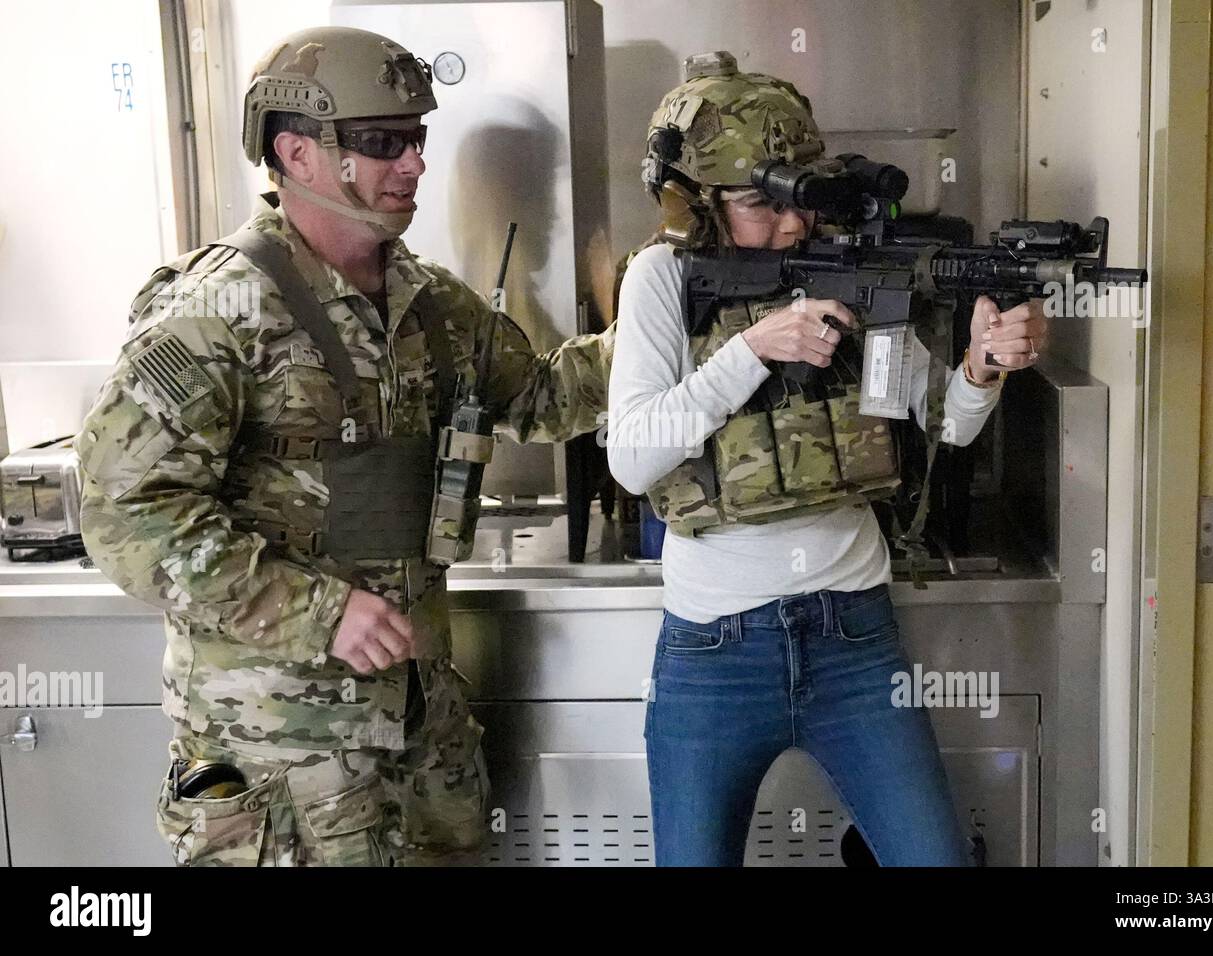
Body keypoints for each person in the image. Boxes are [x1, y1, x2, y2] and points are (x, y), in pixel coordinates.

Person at [77, 25, 613, 866]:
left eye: (416, 139)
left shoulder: (430, 303)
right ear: (296, 154)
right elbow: (125, 512)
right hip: (282, 756)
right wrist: (318, 611)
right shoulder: (220, 310)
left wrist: (673, 315)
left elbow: (542, 397)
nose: (414, 164)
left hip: (420, 737)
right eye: (381, 142)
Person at [606, 51, 1048, 866]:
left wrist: (985, 365)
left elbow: (943, 421)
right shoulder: (661, 280)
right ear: (693, 205)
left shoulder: (852, 273)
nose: (789, 225)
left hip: (855, 638)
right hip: (714, 657)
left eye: (794, 201)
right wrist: (750, 351)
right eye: (756, 204)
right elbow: (631, 459)